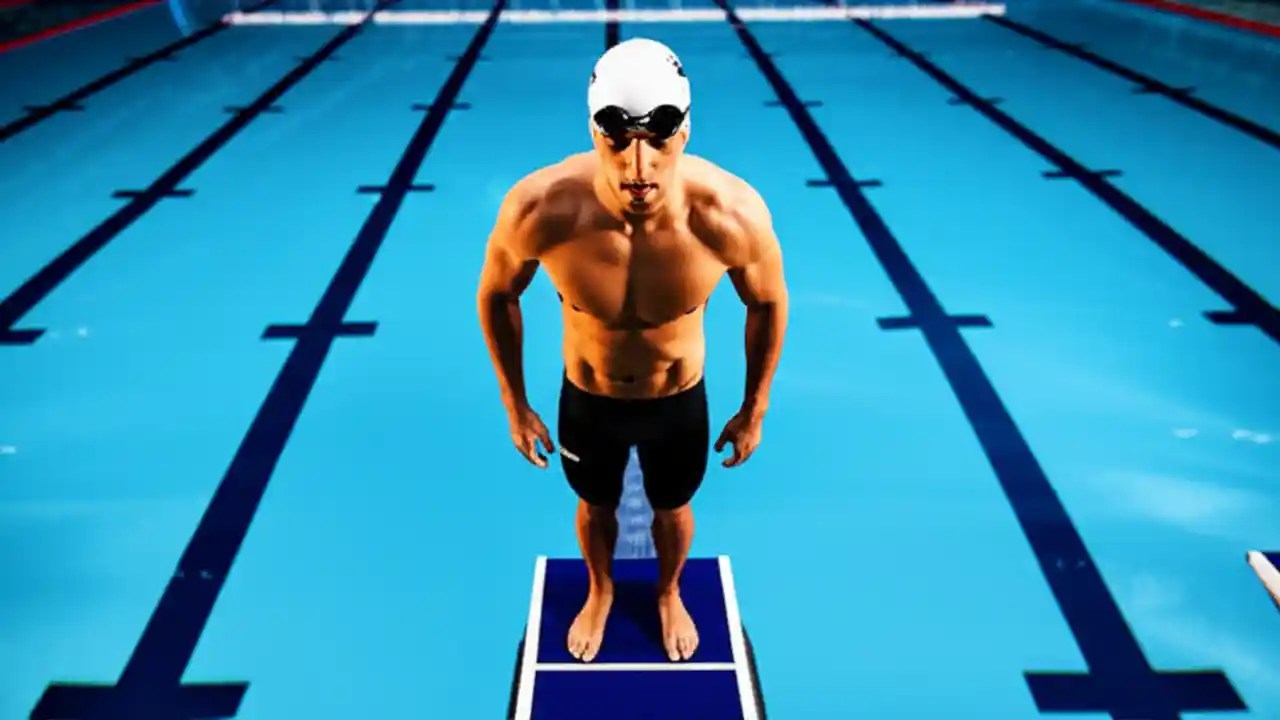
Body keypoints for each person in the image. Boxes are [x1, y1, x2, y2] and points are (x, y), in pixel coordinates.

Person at [476, 37, 788, 664]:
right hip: (588, 397)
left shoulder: (729, 215)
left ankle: (669, 592)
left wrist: (755, 409)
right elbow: (496, 294)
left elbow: (768, 303)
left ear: (687, 128)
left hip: (679, 397)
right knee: (594, 503)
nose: (638, 165)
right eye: (617, 137)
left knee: (673, 508)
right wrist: (515, 403)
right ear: (593, 129)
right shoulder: (541, 209)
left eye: (661, 134)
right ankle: (600, 590)